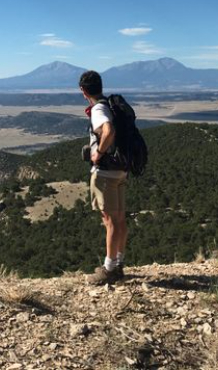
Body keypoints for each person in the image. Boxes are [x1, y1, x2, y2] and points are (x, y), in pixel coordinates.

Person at [79, 70, 128, 285]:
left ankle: (109, 269)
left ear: (83, 91)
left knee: (109, 221)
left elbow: (108, 131)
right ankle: (119, 263)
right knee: (119, 220)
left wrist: (98, 153)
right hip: (120, 170)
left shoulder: (99, 108)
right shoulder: (109, 104)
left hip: (105, 172)